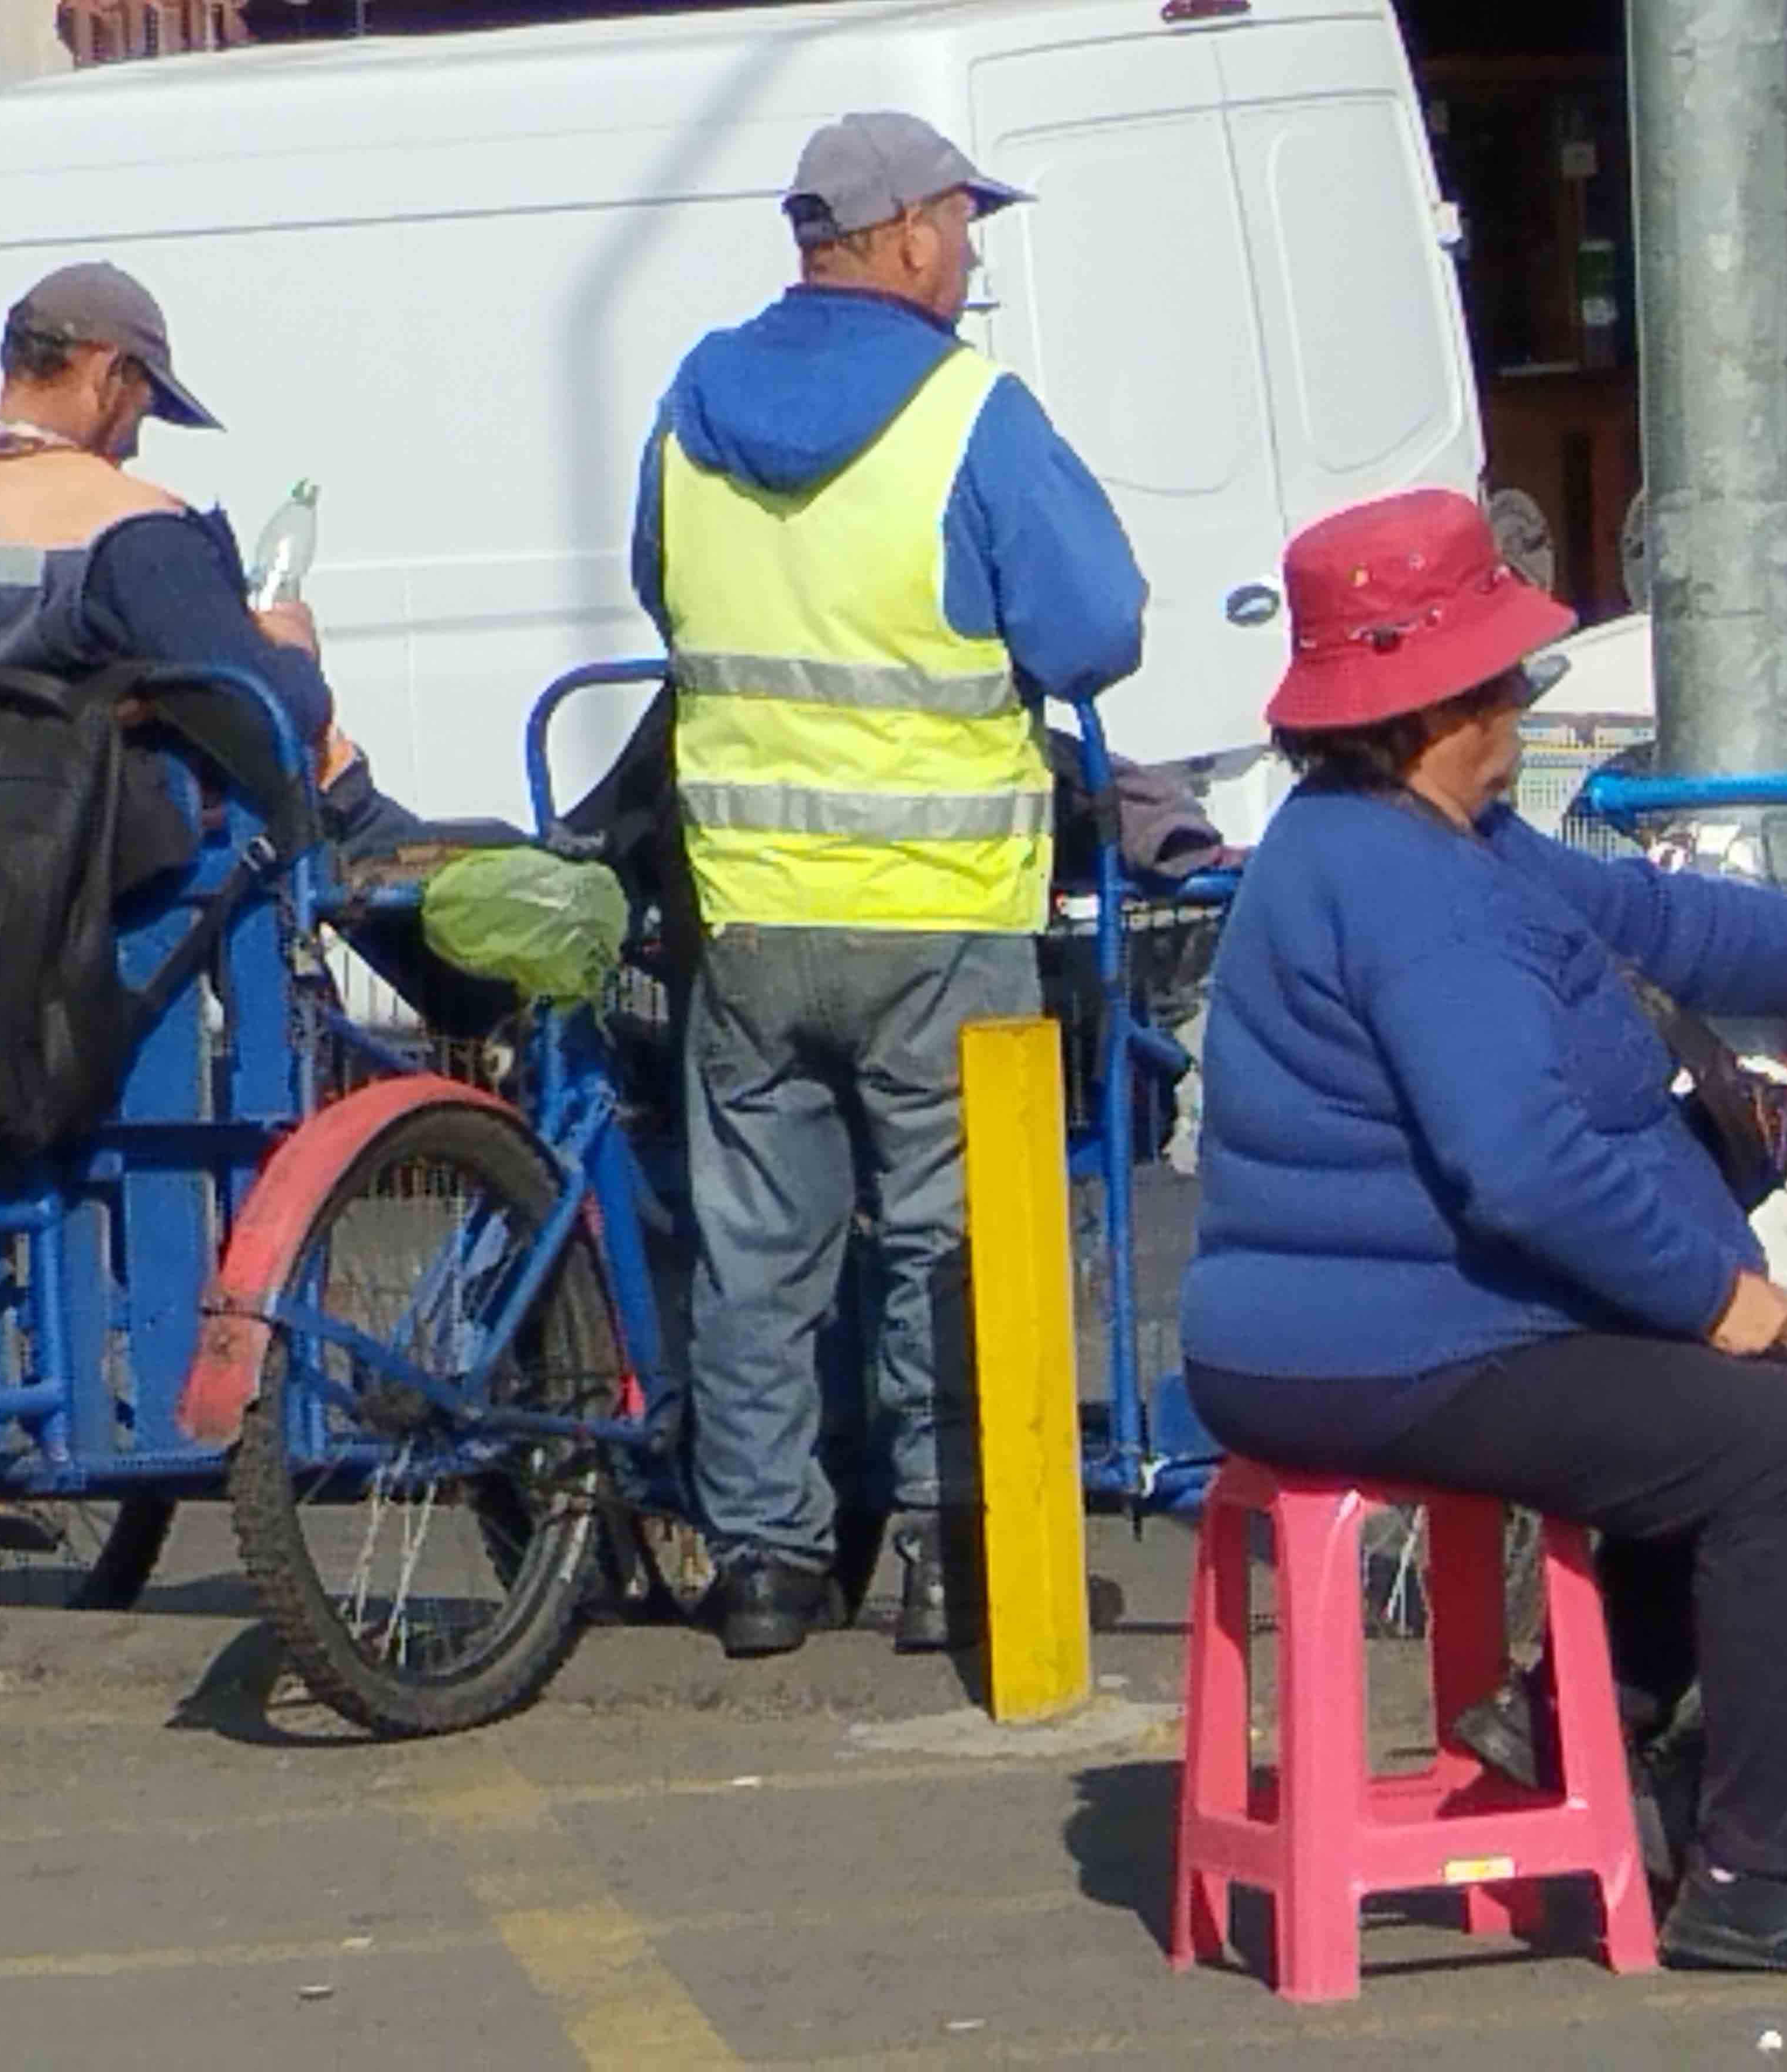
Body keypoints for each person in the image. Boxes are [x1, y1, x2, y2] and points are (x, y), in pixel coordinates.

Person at [1179, 487, 1787, 1975]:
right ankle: (1775, 1876)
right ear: (1440, 702)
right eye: (1504, 677)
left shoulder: (1435, 840)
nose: (1520, 700)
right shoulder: (1407, 888)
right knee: (1781, 1442)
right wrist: (1710, 1296)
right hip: (1381, 1345)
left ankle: (1574, 1711)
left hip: (1381, 1323)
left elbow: (1662, 923)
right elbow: (1524, 1168)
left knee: (1785, 1396)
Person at [631, 112, 1146, 1659]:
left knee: (756, 1247)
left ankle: (769, 1568)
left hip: (751, 912)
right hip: (942, 916)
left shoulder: (688, 405)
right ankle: (942, 1549)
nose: (971, 254)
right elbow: (1094, 630)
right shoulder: (967, 413)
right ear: (911, 234)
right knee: (948, 1239)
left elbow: (664, 587)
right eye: (964, 228)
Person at [0, 261, 514, 1022]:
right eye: (144, 404)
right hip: (151, 830)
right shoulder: (122, 525)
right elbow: (273, 707)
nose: (136, 442)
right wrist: (291, 644)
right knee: (417, 840)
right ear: (109, 373)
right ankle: (508, 1037)